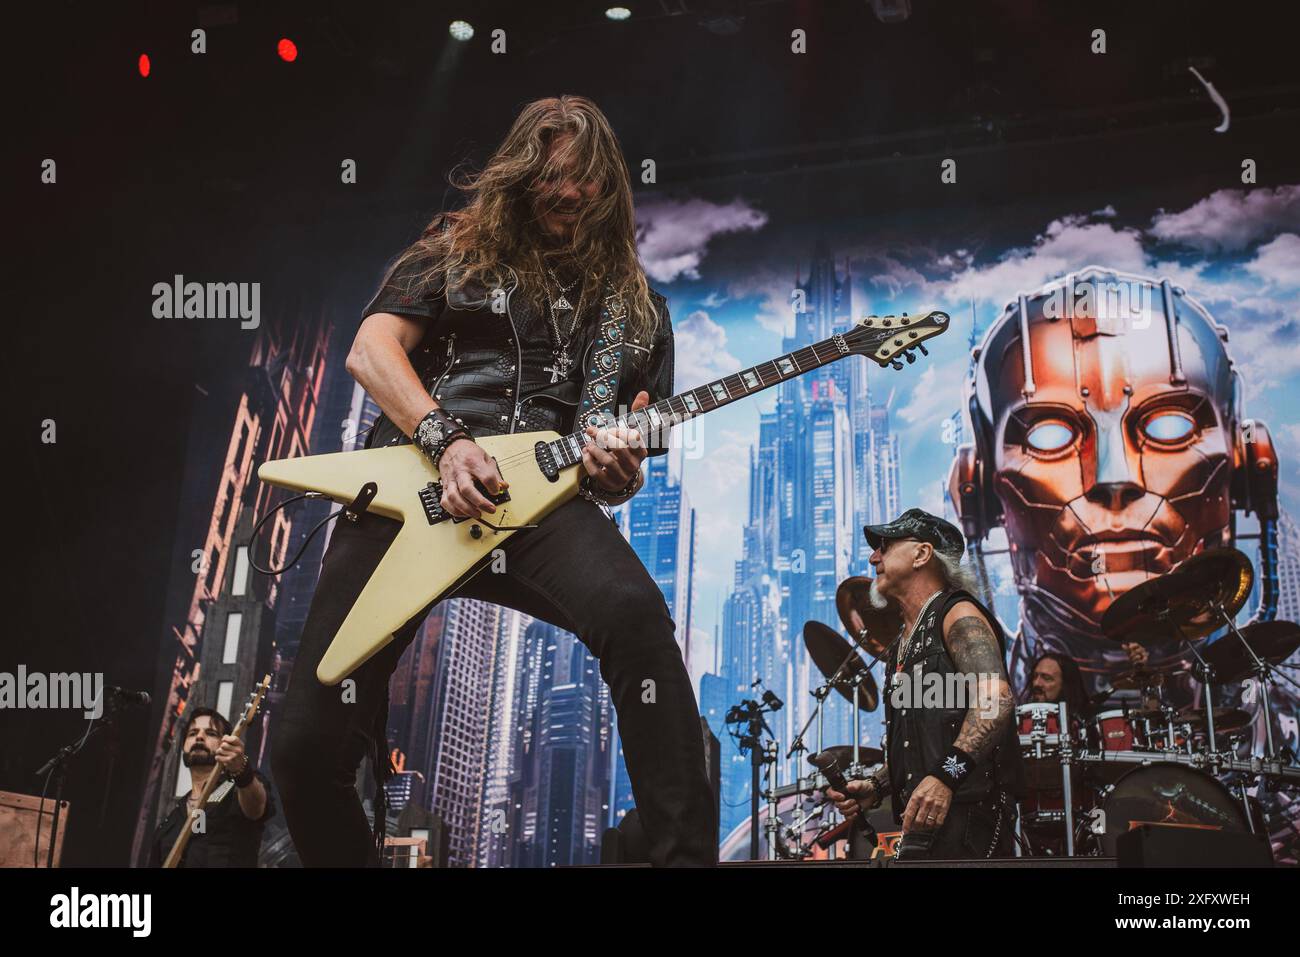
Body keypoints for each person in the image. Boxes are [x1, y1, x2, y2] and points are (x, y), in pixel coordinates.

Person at [270, 95, 716, 867]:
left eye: (581, 176)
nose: (565, 191)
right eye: (548, 172)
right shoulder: (452, 249)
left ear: (608, 185)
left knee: (636, 615)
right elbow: (372, 350)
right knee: (305, 750)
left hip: (541, 506)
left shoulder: (638, 312)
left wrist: (617, 471)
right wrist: (446, 440)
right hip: (414, 485)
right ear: (517, 172)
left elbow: (616, 466)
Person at [827, 508, 1021, 860]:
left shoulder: (958, 615)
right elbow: (922, 743)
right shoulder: (902, 642)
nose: (874, 557)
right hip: (924, 824)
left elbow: (996, 701)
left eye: (884, 546)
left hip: (970, 821)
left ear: (922, 554)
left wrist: (946, 778)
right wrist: (876, 786)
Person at [149, 708, 274, 867]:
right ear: (183, 747)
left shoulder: (239, 787)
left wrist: (241, 772)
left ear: (225, 744)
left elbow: (256, 808)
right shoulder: (169, 824)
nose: (199, 737)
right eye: (192, 733)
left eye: (211, 733)